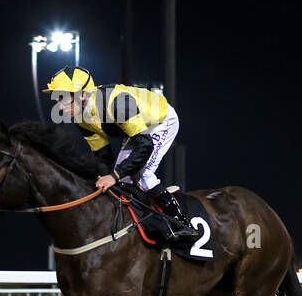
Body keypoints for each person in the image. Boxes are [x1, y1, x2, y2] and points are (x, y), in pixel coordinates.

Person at [42, 65, 197, 242]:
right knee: (122, 182)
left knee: (142, 175)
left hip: (160, 121)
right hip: (137, 129)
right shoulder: (80, 117)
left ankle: (180, 222)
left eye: (63, 99)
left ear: (82, 94)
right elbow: (102, 155)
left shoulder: (116, 103)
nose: (60, 108)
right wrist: (103, 178)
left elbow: (145, 145)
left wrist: (114, 176)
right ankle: (143, 219)